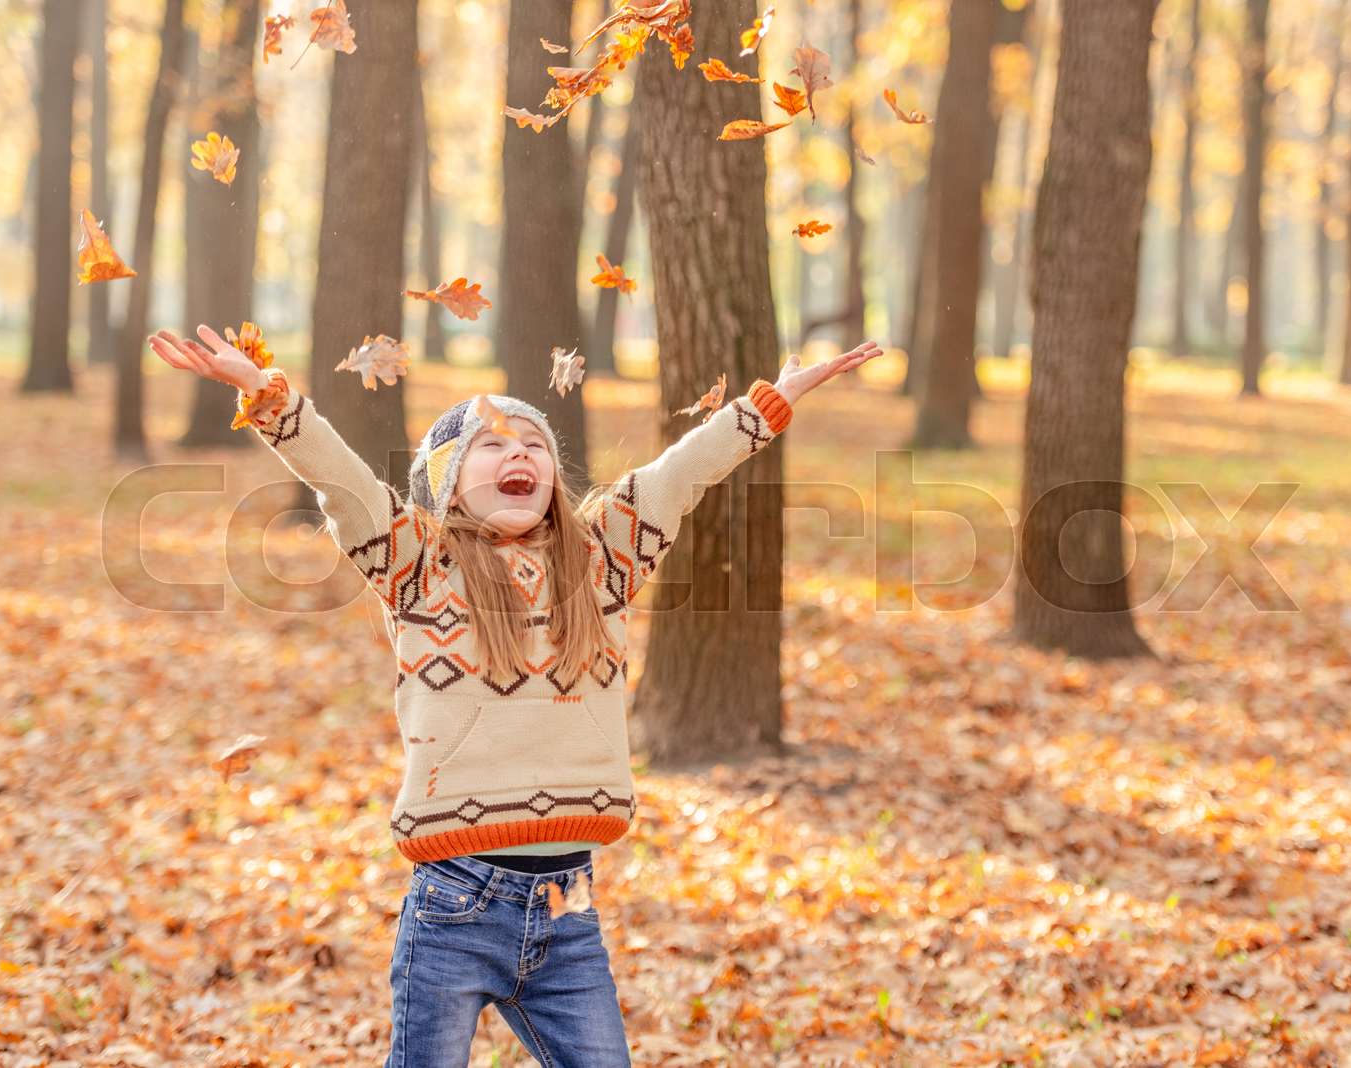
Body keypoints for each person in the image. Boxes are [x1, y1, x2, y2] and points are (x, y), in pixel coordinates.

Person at [146, 324, 884, 1067]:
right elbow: (345, 485)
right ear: (447, 482)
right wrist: (266, 395)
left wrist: (768, 405)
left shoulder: (602, 562)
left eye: (533, 444)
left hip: (570, 908)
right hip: (453, 904)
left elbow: (678, 475)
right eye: (492, 445)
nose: (520, 454)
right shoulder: (419, 568)